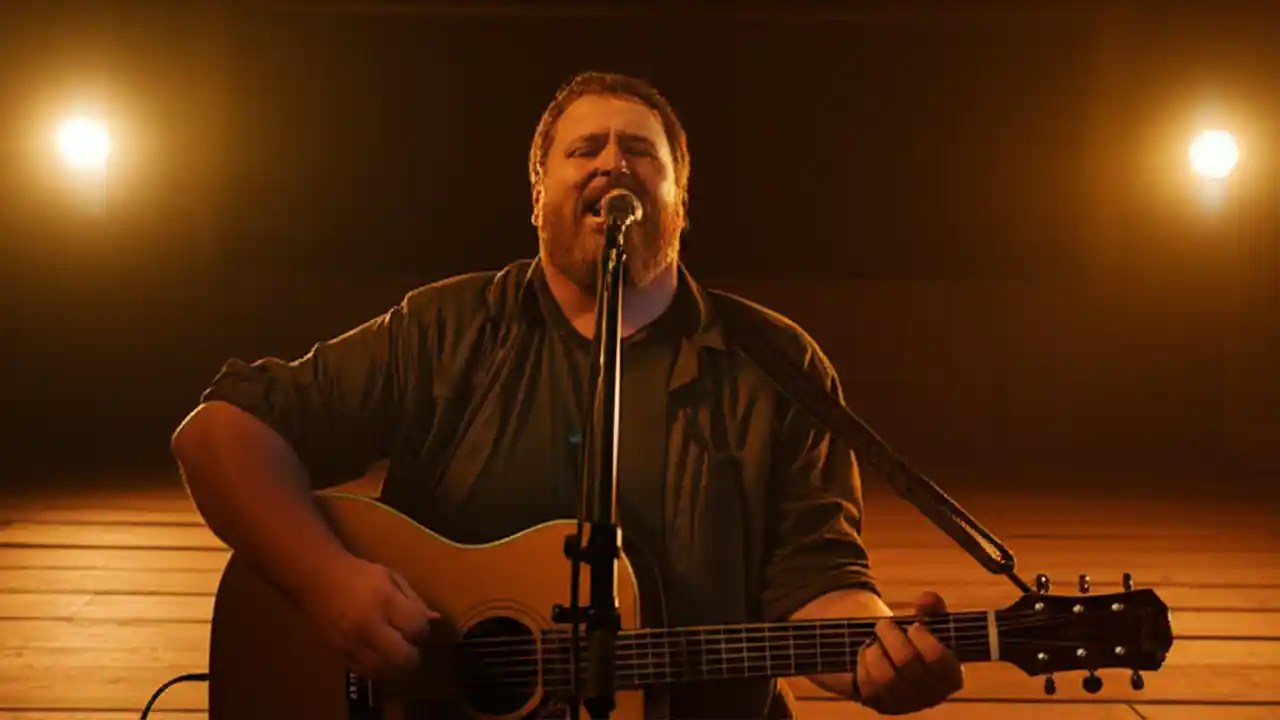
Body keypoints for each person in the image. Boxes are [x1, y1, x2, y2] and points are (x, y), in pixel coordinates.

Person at [171, 71, 964, 718]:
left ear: (679, 203)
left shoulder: (778, 363)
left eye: (641, 153)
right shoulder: (446, 329)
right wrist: (328, 583)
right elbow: (220, 432)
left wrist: (879, 654)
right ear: (538, 197)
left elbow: (819, 582)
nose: (612, 163)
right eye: (584, 148)